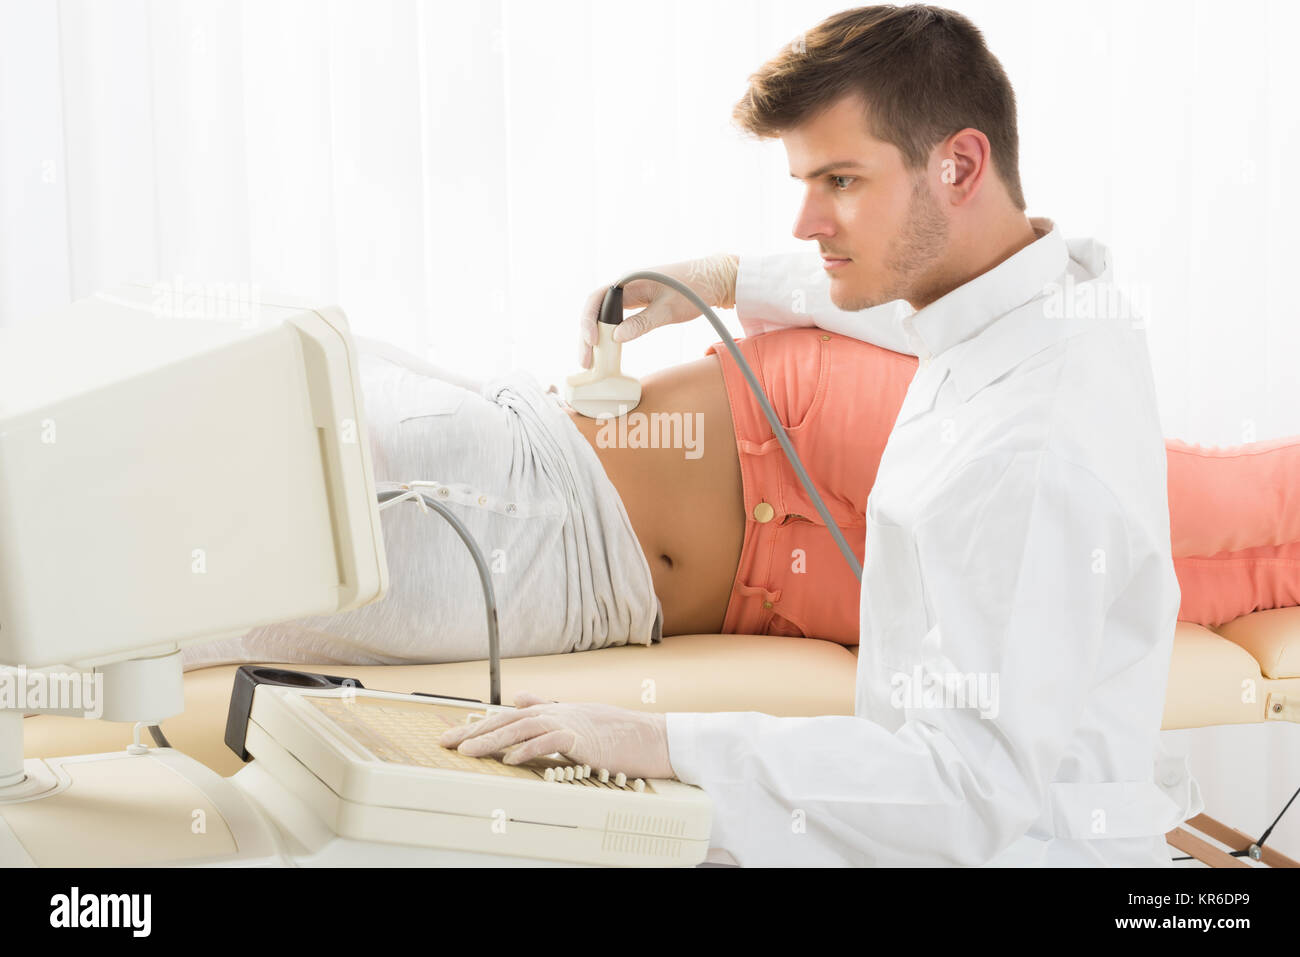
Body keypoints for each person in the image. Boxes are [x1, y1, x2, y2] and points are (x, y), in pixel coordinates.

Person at [441, 5, 1225, 867]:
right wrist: (727, 280)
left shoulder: (1030, 451)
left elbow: (965, 791)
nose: (806, 221)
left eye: (841, 181)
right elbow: (918, 290)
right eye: (805, 183)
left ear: (961, 165)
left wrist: (660, 741)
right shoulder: (1057, 294)